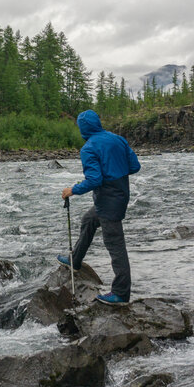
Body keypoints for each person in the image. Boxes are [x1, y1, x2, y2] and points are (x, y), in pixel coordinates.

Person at [58, 109, 141, 305]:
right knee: (89, 219)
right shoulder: (118, 139)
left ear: (83, 128)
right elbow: (135, 166)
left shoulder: (89, 148)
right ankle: (75, 260)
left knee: (116, 246)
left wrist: (72, 190)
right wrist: (115, 171)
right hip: (120, 195)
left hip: (107, 200)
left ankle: (121, 294)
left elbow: (94, 180)